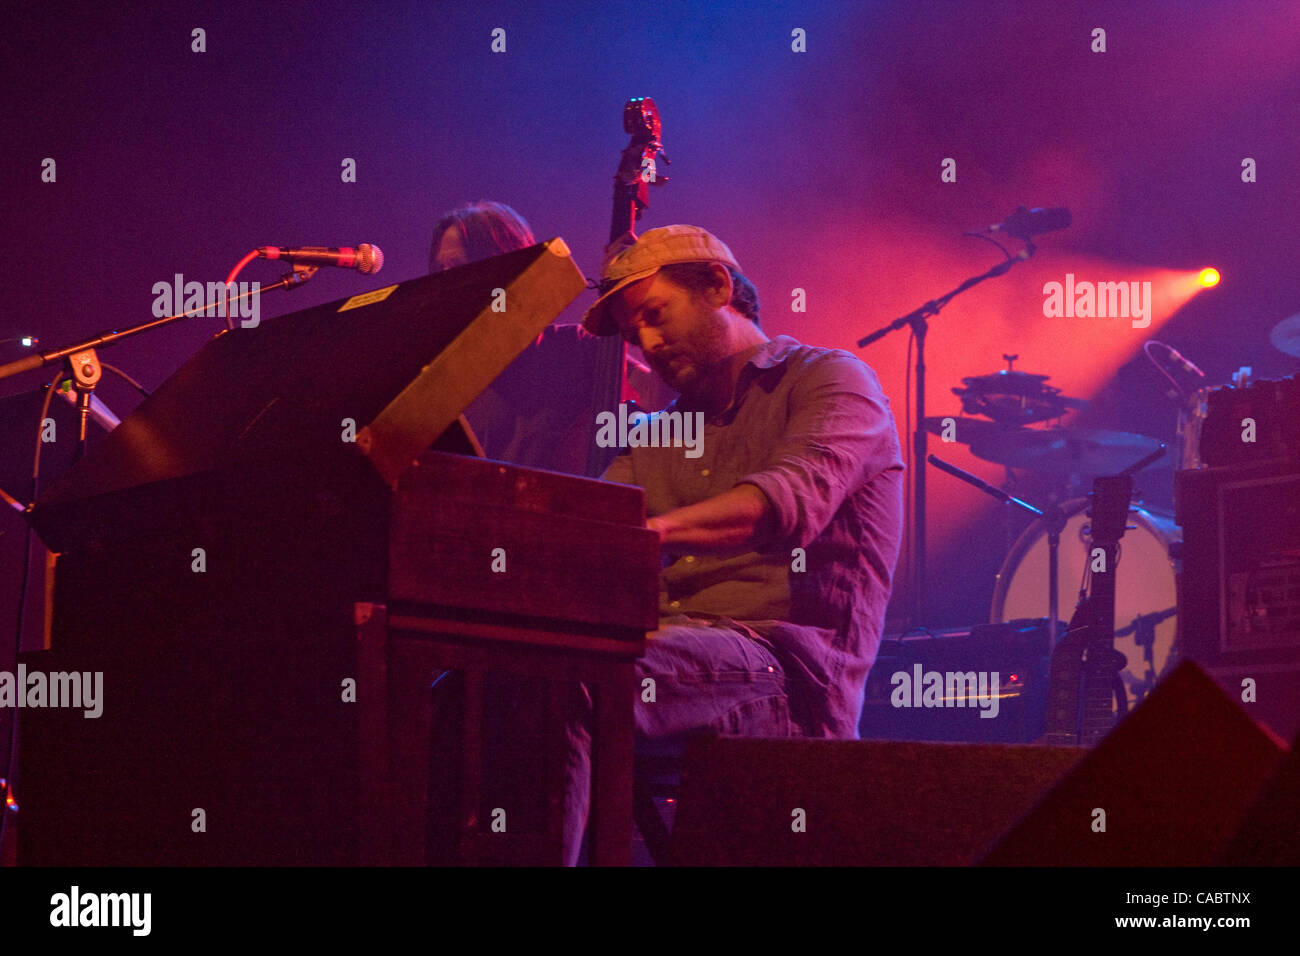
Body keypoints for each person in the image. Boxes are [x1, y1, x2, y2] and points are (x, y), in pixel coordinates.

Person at [562, 225, 906, 864]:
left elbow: (789, 501)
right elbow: (590, 525)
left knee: (576, 675)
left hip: (788, 677)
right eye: (635, 333)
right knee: (477, 681)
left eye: (655, 315)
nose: (648, 343)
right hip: (675, 663)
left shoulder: (832, 379)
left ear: (719, 287)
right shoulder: (659, 434)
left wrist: (650, 530)